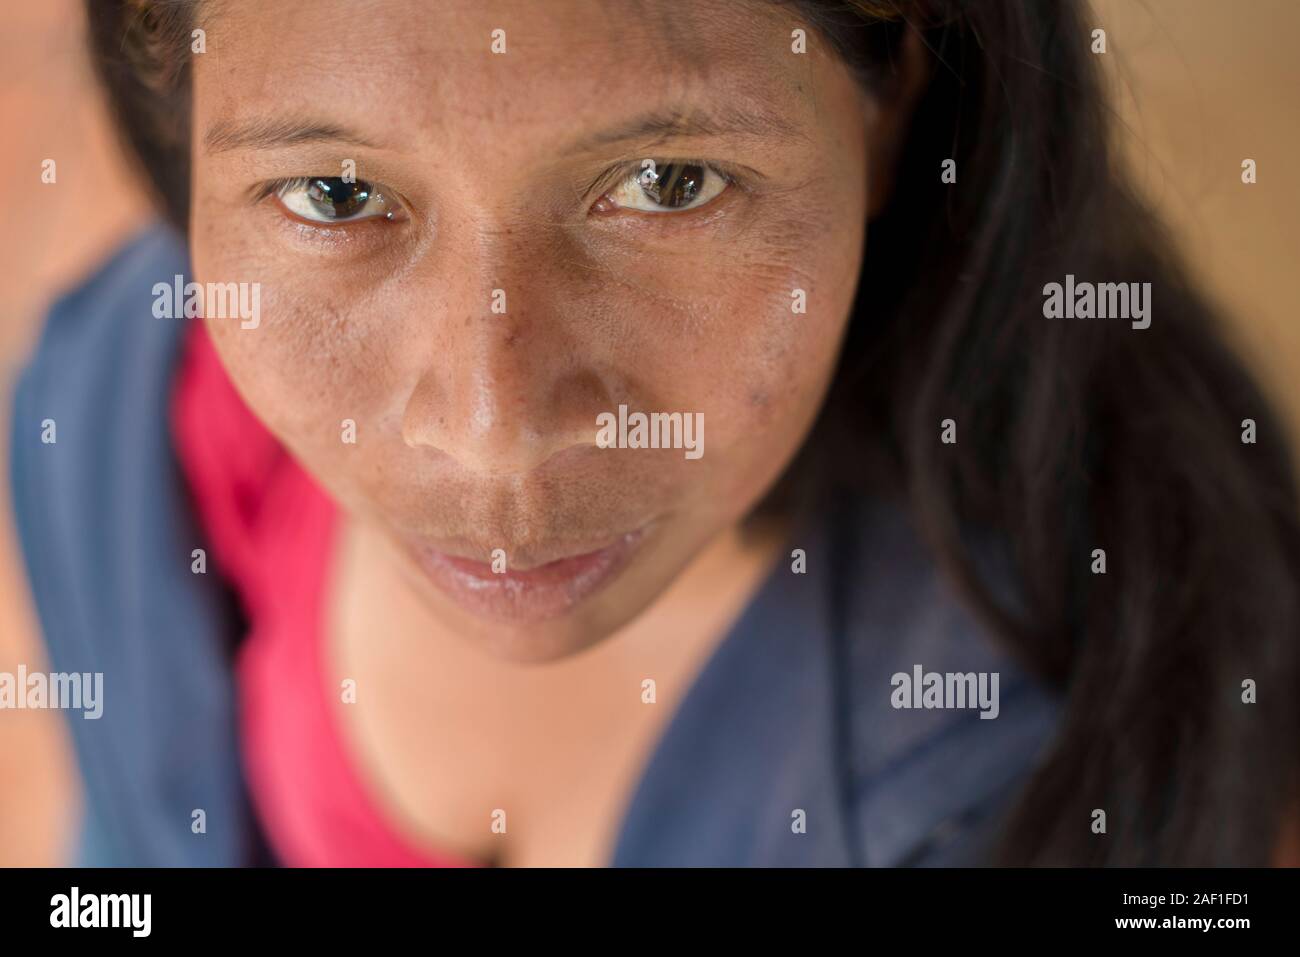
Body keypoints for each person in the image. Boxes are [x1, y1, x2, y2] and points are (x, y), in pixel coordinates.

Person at [7, 0, 1298, 866]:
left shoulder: (1062, 775)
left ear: (889, 97)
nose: (495, 442)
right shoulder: (134, 430)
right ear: (171, 99)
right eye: (334, 195)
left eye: (668, 185)